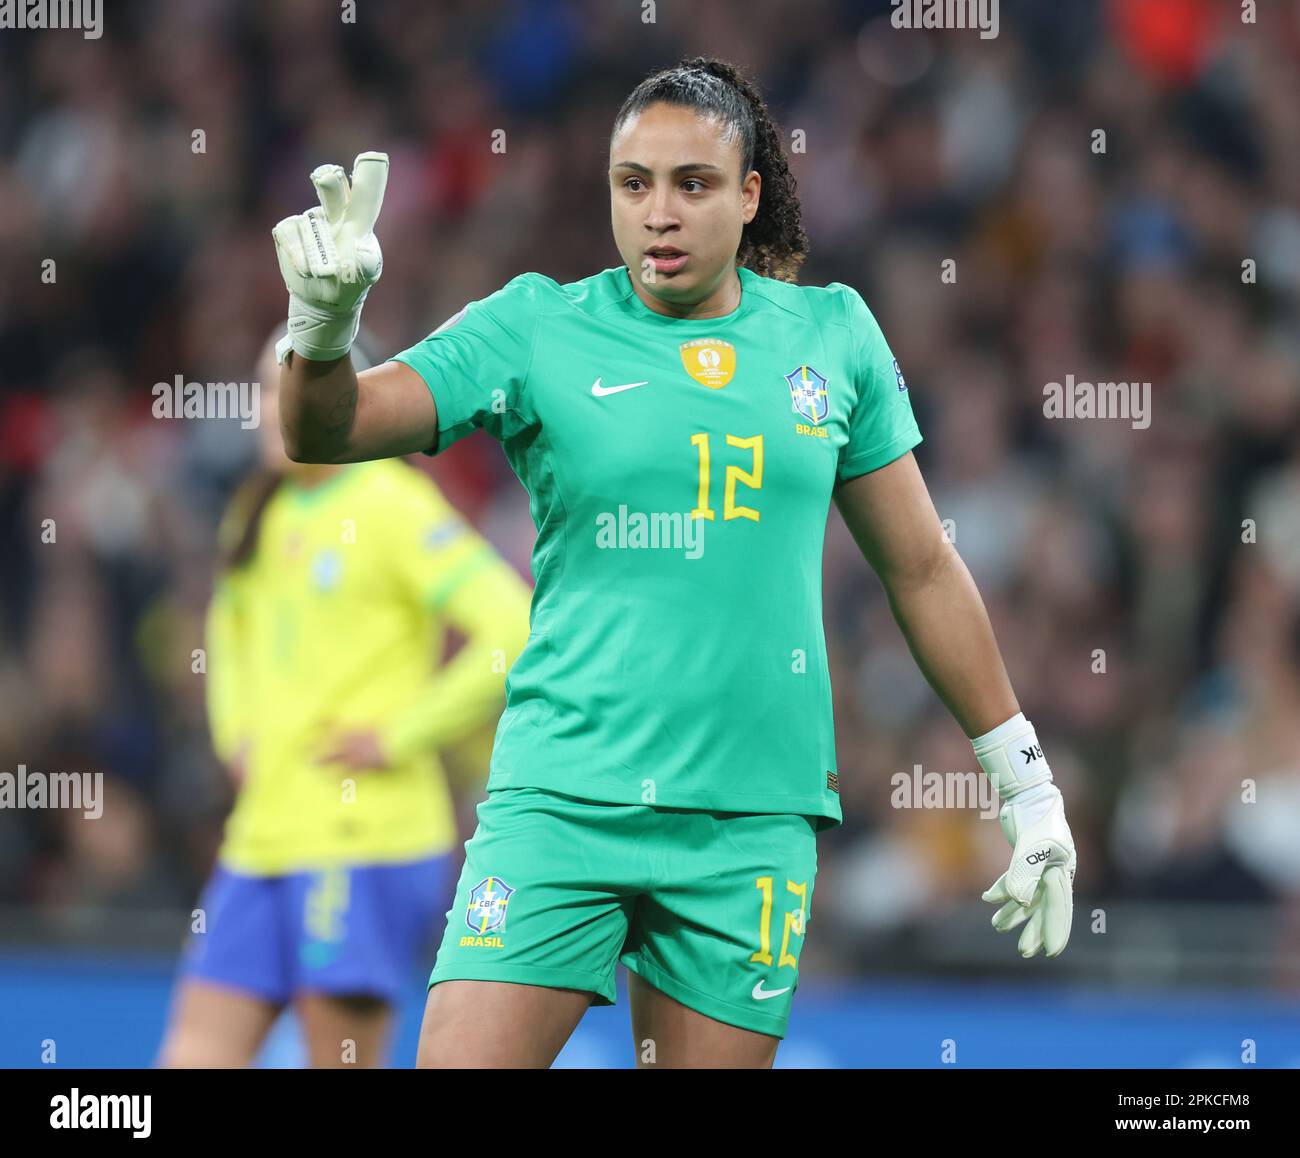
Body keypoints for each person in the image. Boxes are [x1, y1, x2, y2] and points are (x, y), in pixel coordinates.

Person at [269, 56, 1078, 1069]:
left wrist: (1024, 782)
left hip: (748, 823)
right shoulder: (535, 326)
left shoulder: (832, 337)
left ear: (747, 197)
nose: (659, 212)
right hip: (562, 798)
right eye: (633, 183)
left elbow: (919, 568)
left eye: (692, 184)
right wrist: (324, 328)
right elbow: (327, 429)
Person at [156, 332, 533, 1067]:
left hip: (364, 837)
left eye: (286, 391)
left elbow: (513, 627)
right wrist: (234, 732)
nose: (269, 411)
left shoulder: (392, 505)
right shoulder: (258, 508)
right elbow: (227, 627)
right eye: (263, 391)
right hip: (263, 833)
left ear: (335, 402)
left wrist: (399, 734)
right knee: (192, 1053)